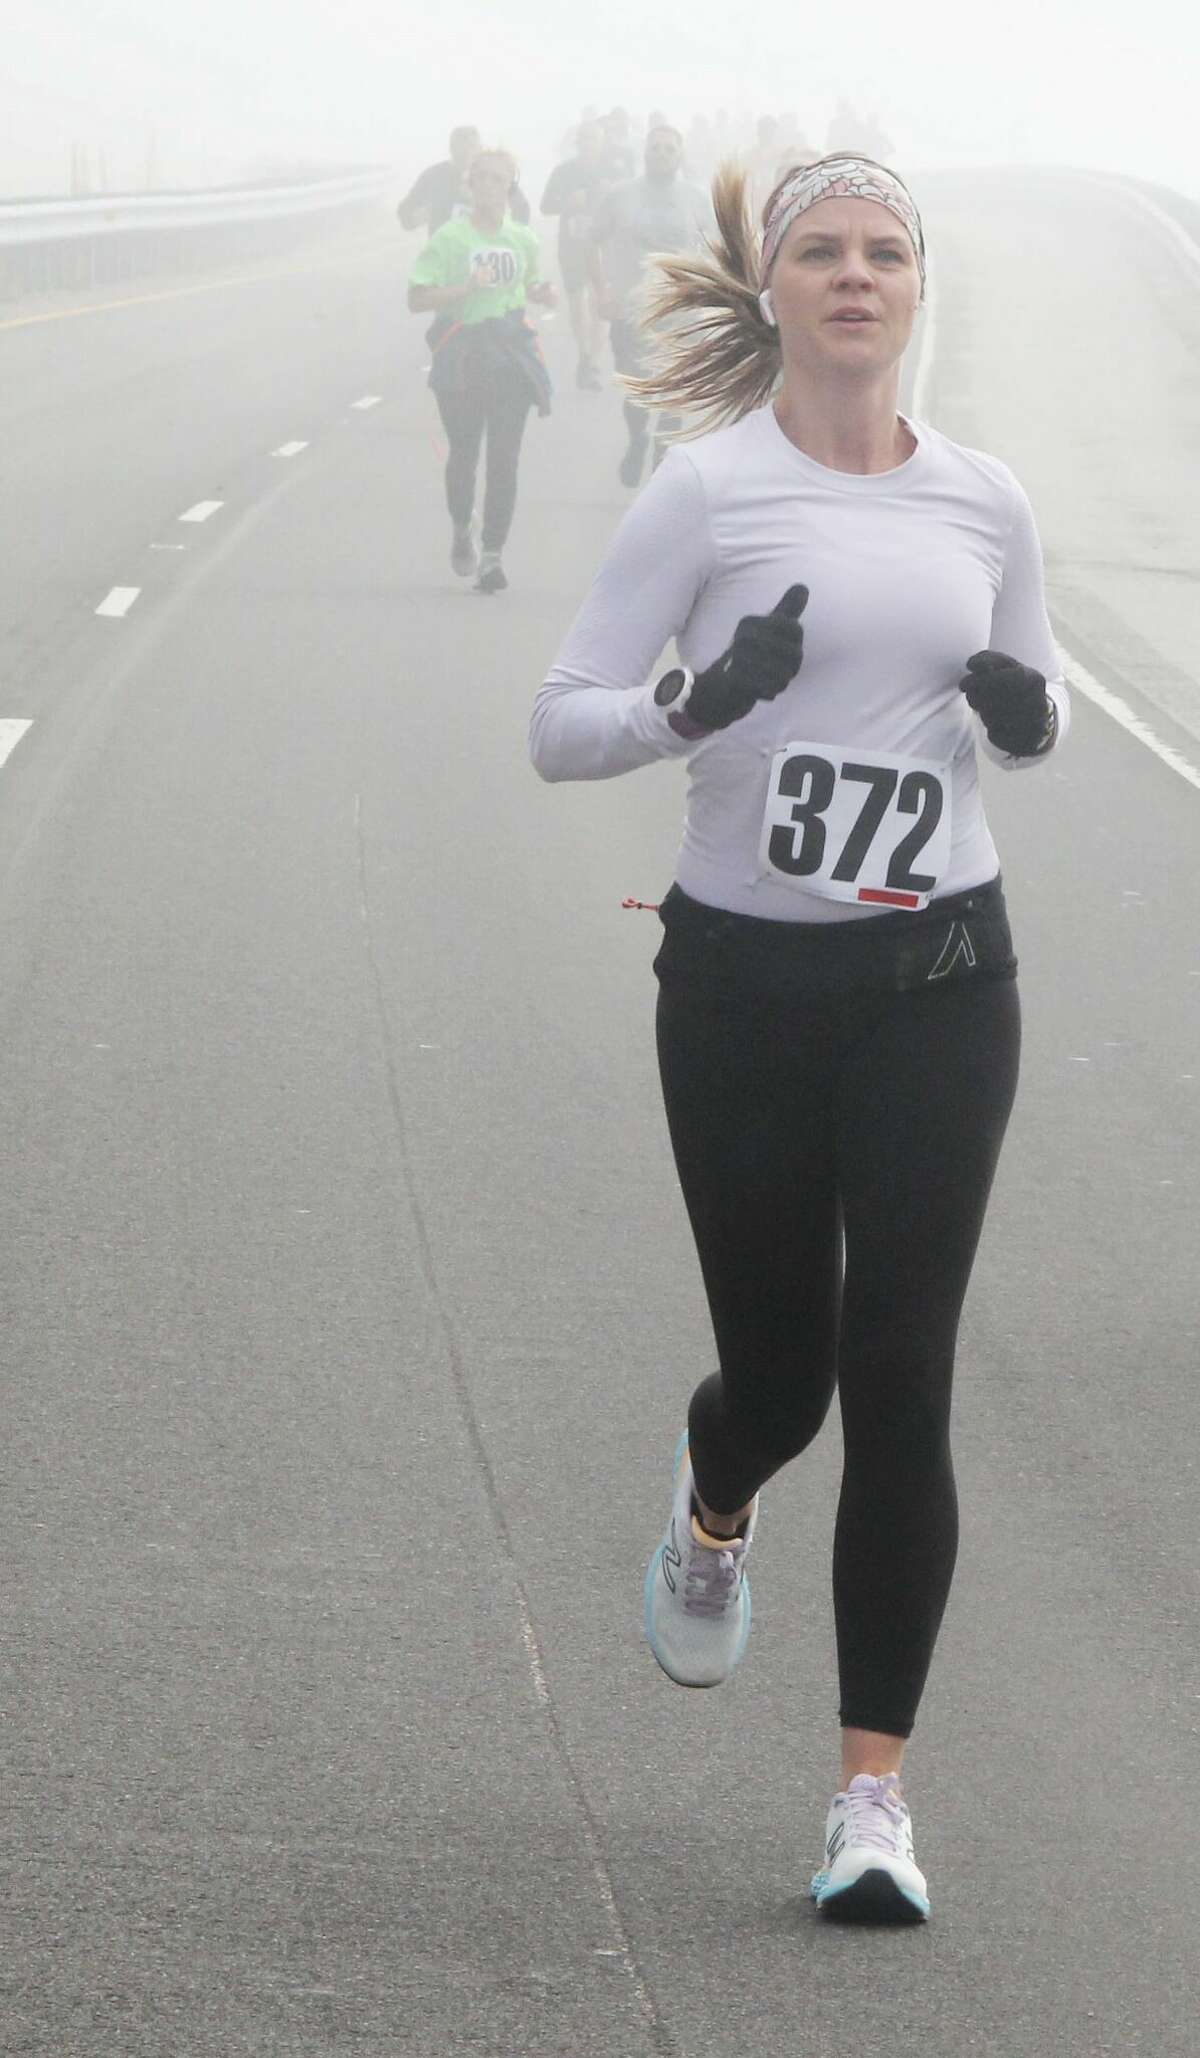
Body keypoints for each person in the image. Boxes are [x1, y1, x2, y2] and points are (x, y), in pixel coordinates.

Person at [531, 154, 1069, 1923]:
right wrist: (704, 701)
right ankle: (712, 1497)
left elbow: (1034, 707)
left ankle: (869, 1803)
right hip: (747, 991)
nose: (855, 274)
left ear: (922, 287)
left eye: (886, 250)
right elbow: (564, 725)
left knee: (905, 1373)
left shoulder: (987, 501)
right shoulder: (707, 497)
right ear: (770, 292)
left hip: (940, 983)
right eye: (821, 251)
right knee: (787, 1376)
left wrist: (1023, 712)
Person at [407, 148, 554, 593]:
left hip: (509, 352)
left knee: (505, 460)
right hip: (463, 354)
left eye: (499, 179)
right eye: (482, 178)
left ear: (510, 186)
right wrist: (463, 288)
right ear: (469, 186)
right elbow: (416, 298)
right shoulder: (450, 239)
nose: (490, 187)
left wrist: (541, 292)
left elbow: (526, 284)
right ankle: (460, 528)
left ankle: (492, 556)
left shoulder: (523, 239)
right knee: (465, 454)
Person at [588, 125, 712, 486]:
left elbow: (714, 250)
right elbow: (590, 242)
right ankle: (638, 437)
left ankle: (662, 452)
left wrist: (709, 293)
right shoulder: (620, 196)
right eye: (655, 148)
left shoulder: (696, 199)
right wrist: (602, 290)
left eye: (669, 149)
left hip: (680, 310)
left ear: (680, 155)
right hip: (632, 308)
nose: (661, 154)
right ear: (645, 153)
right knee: (638, 388)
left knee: (675, 386)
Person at [540, 120, 608, 389]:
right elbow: (545, 206)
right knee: (578, 302)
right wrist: (567, 202)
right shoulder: (563, 171)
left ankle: (593, 362)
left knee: (599, 301)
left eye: (593, 139)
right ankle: (584, 354)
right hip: (572, 245)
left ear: (601, 142)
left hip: (603, 245)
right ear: (577, 143)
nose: (588, 144)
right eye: (584, 139)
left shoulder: (613, 170)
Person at [398, 126, 531, 236]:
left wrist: (513, 236)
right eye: (461, 149)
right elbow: (405, 211)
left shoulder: (495, 173)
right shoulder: (433, 176)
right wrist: (416, 218)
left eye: (472, 147)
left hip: (488, 251)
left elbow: (522, 208)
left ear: (480, 148)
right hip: (444, 253)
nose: (467, 153)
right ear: (451, 149)